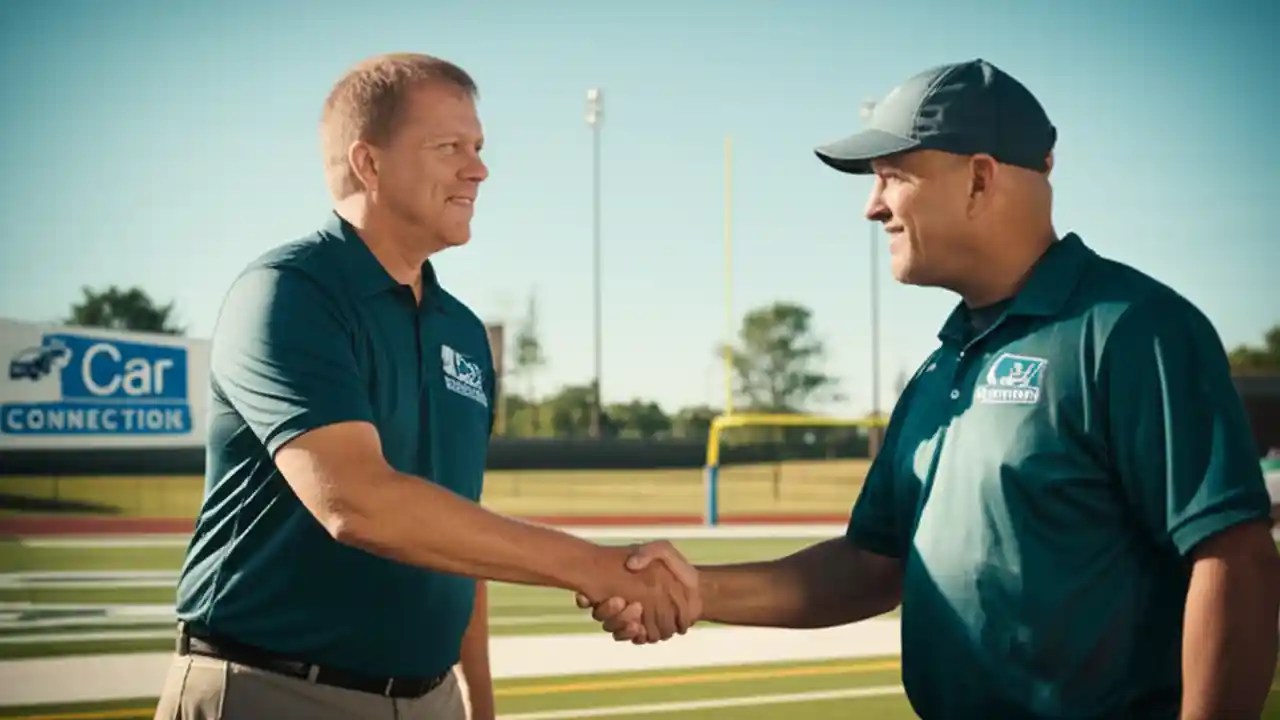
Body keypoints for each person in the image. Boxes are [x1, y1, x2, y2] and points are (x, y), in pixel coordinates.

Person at [583, 58, 1280, 719]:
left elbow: (1233, 555)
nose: (871, 207)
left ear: (980, 178)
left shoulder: (1132, 330)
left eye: (891, 176)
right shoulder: (941, 365)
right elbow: (869, 566)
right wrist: (697, 589)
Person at [154, 52, 697, 720]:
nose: (479, 169)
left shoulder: (463, 332)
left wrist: (479, 702)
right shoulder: (289, 294)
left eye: (478, 147)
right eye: (449, 147)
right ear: (369, 162)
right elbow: (357, 503)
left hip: (429, 698)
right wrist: (593, 567)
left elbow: (455, 529)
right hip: (274, 689)